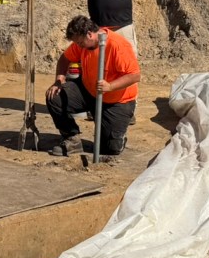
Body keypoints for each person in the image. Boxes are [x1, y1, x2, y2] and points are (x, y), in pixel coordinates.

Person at [45, 15, 140, 157]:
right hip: (89, 91)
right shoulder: (83, 43)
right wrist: (59, 80)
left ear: (89, 34)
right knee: (55, 96)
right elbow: (65, 59)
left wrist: (110, 86)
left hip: (117, 100)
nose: (78, 46)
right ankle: (72, 139)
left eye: (79, 42)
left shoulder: (117, 45)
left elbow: (134, 75)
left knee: (109, 149)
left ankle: (117, 137)